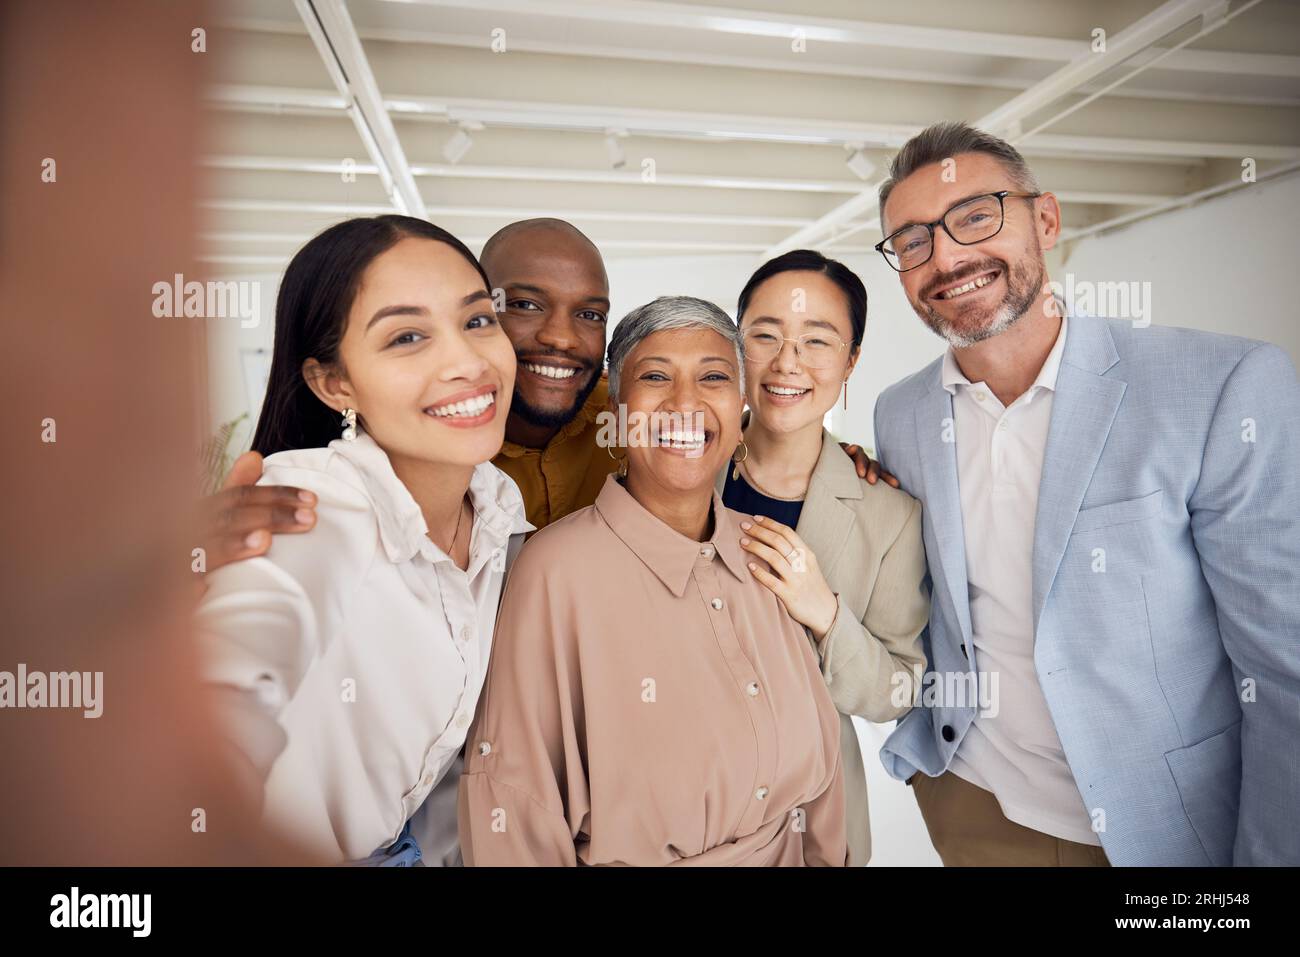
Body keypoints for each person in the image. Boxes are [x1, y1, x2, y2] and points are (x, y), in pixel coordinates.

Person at [870, 121, 1300, 866]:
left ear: (1046, 219)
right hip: (973, 803)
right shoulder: (898, 413)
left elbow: (1284, 672)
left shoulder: (1223, 386)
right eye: (912, 241)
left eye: (976, 216)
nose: (947, 256)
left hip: (1163, 833)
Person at [197, 220, 878, 564]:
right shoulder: (387, 471)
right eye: (520, 306)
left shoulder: (627, 412)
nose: (561, 338)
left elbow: (726, 421)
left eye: (589, 315)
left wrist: (843, 460)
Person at [458, 296, 848, 866]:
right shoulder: (553, 572)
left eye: (713, 377)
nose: (685, 403)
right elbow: (514, 808)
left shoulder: (768, 551)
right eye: (656, 377)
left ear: (742, 407)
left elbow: (824, 780)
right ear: (616, 407)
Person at [195, 215, 530, 865]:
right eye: (407, 336)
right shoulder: (313, 508)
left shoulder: (496, 508)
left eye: (477, 320)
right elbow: (231, 669)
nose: (465, 360)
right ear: (334, 383)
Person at [715, 249, 929, 865]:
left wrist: (826, 614)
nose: (788, 363)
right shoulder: (674, 472)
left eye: (817, 341)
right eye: (766, 336)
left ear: (851, 361)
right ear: (737, 345)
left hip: (805, 815)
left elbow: (897, 688)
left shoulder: (890, 514)